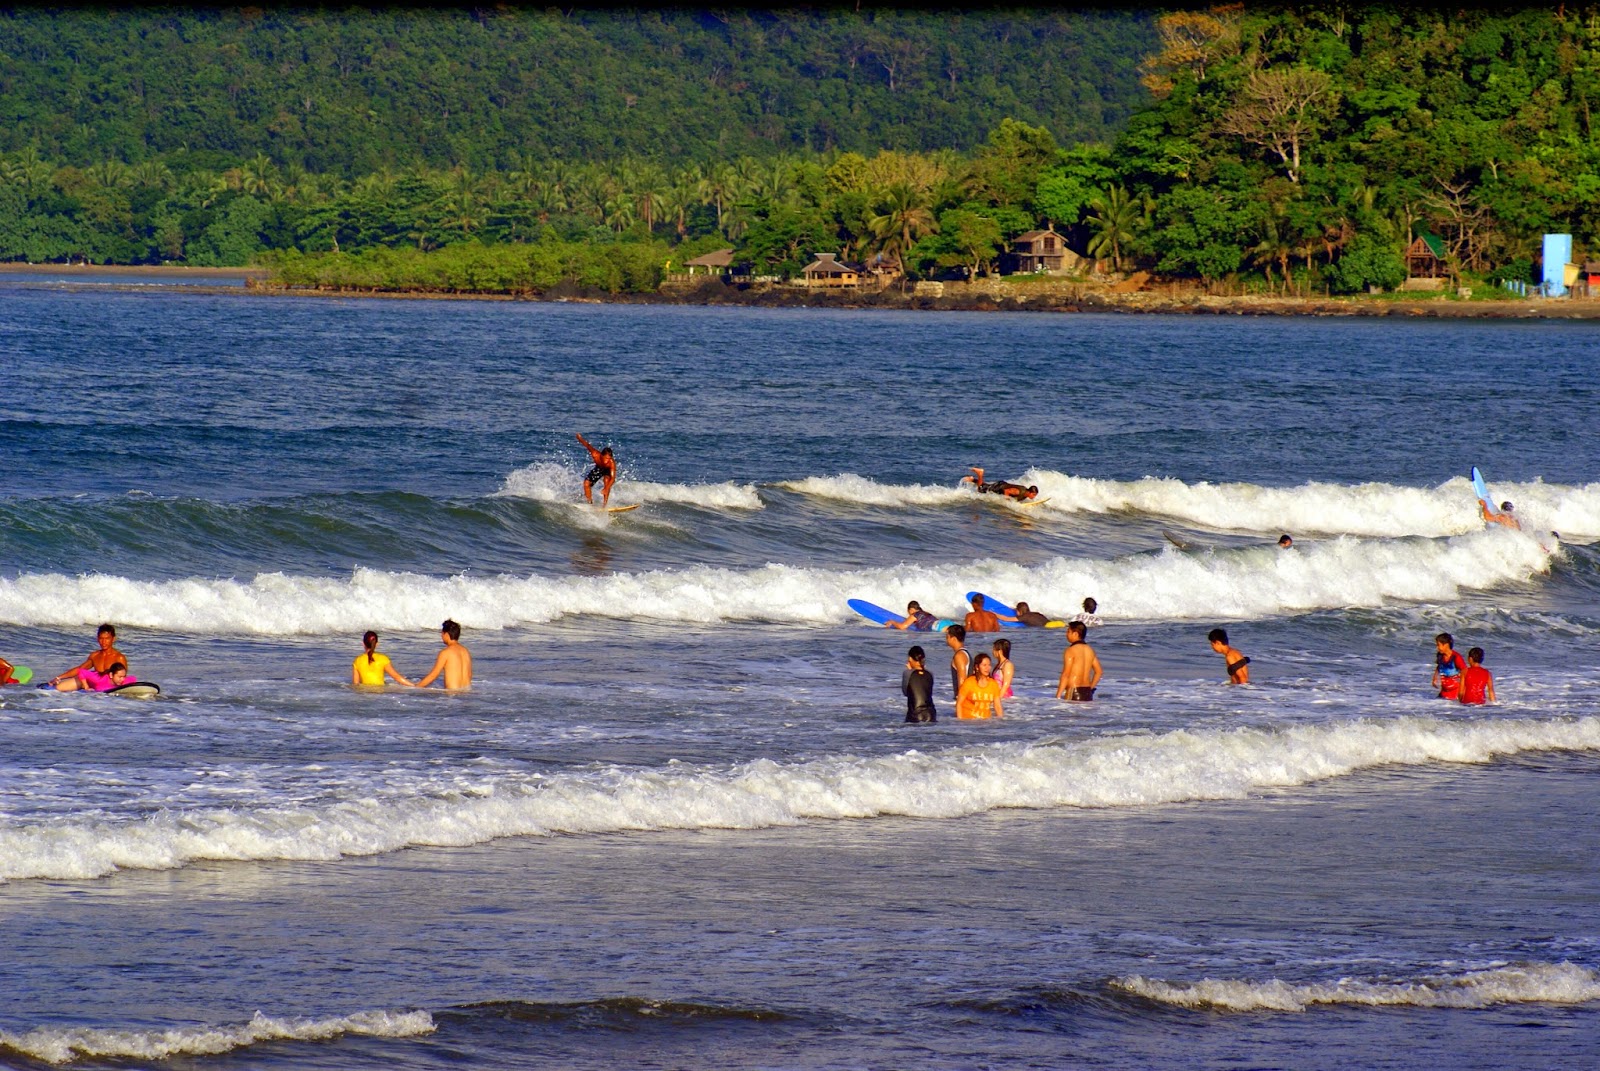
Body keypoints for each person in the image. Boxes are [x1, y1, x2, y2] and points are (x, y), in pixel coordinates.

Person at [46, 624, 126, 692]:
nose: (104, 642)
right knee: (57, 689)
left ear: (113, 639)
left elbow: (122, 678)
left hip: (108, 687)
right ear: (97, 639)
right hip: (92, 683)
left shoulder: (119, 658)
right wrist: (58, 677)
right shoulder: (95, 656)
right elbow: (80, 669)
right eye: (101, 638)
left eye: (107, 638)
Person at [416, 619, 473, 689]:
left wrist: (417, 687)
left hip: (452, 696)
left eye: (442, 633)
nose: (441, 636)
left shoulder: (446, 652)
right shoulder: (465, 651)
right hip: (467, 695)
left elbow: (433, 675)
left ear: (446, 634)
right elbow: (469, 675)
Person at [1055, 621, 1102, 702]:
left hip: (1074, 690)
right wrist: (1091, 688)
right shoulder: (1090, 650)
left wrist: (1058, 696)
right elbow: (1099, 672)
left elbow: (1066, 674)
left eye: (1068, 631)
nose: (1066, 634)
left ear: (1075, 634)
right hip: (1087, 692)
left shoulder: (1071, 650)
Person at [956, 652, 1005, 719]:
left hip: (985, 721)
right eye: (984, 665)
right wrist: (960, 722)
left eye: (989, 665)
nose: (987, 668)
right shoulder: (969, 682)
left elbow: (997, 706)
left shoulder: (993, 684)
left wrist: (1001, 722)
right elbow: (959, 704)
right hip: (968, 721)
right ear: (977, 667)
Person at [576, 433, 617, 506]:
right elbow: (587, 445)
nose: (608, 460)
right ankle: (590, 503)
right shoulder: (595, 454)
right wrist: (580, 438)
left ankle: (604, 505)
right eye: (606, 458)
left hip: (607, 470)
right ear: (602, 455)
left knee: (607, 482)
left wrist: (606, 488)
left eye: (609, 458)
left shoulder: (611, 463)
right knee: (586, 483)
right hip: (599, 468)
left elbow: (613, 479)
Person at [960, 467, 1039, 502]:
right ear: (1030, 492)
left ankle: (973, 479)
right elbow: (1006, 491)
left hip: (1002, 485)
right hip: (1000, 487)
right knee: (980, 490)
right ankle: (980, 473)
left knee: (986, 486)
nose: (1034, 496)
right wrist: (1007, 500)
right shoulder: (1019, 492)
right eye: (1034, 495)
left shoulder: (1025, 492)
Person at [902, 646, 937, 723]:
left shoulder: (907, 673)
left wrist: (910, 670)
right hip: (931, 714)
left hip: (915, 714)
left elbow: (905, 692)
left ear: (910, 659)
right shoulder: (930, 674)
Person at [1431, 632, 1467, 700]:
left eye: (1438, 645)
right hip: (1444, 692)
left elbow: (1465, 671)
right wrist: (1435, 677)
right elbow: (1439, 666)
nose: (1437, 648)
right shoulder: (1440, 656)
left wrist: (1462, 691)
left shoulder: (1456, 657)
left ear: (1446, 645)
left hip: (1455, 693)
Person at [944, 624, 971, 698]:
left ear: (954, 639)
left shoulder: (959, 655)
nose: (946, 639)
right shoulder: (965, 653)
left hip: (965, 699)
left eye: (947, 637)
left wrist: (959, 701)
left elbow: (962, 680)